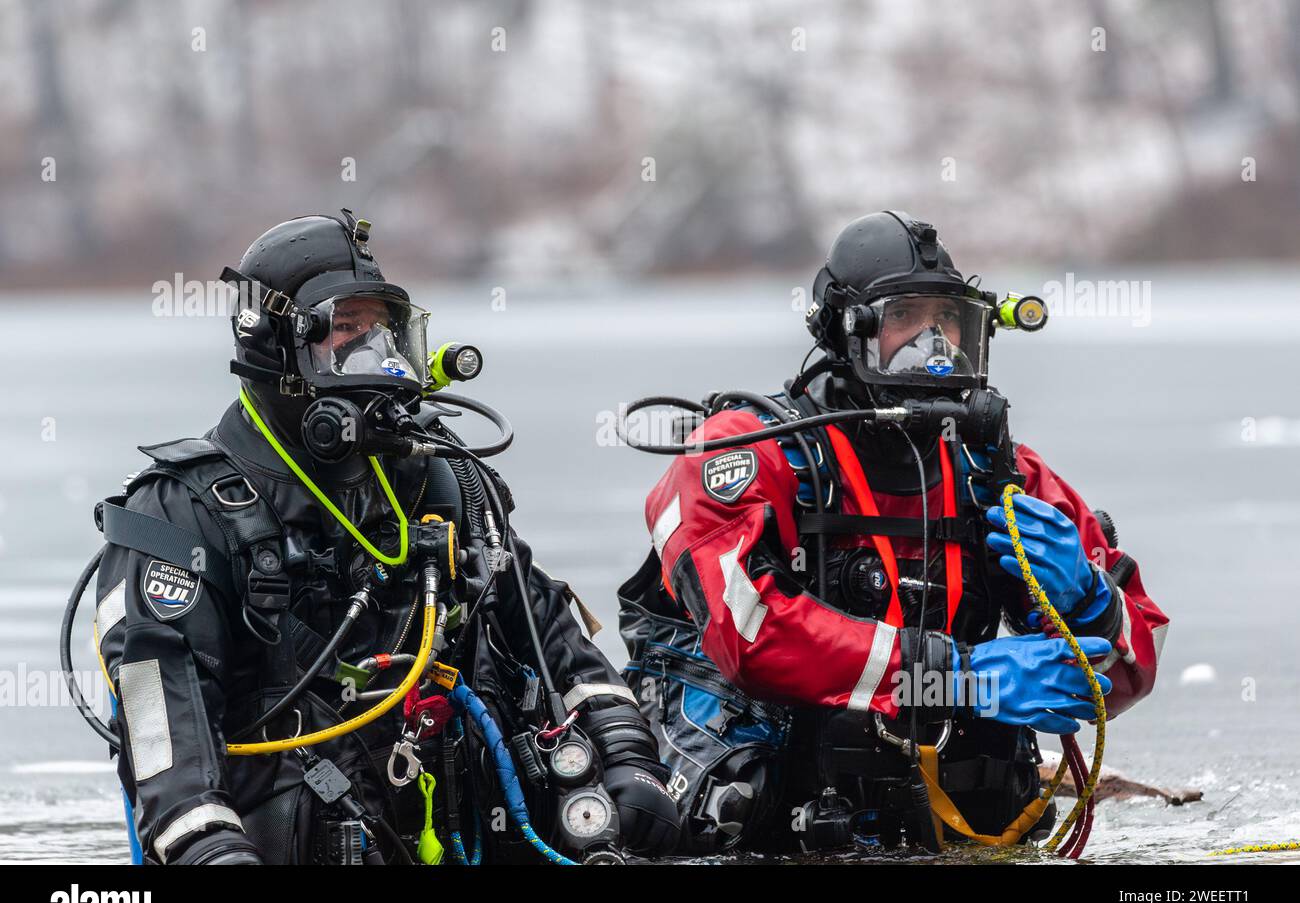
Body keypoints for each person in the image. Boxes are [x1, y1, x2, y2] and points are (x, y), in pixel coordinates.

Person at [87, 210, 678, 864]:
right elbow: (158, 713)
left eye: (382, 331)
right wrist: (209, 850)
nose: (371, 354)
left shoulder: (440, 480)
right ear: (273, 347)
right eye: (345, 329)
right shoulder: (182, 512)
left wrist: (625, 747)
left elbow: (550, 633)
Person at [618, 211, 1169, 855]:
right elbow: (751, 633)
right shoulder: (744, 453)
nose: (933, 345)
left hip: (934, 815)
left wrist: (1091, 607)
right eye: (907, 320)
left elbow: (1129, 662)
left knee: (996, 763)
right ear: (848, 331)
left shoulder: (998, 472)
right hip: (767, 808)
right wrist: (958, 677)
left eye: (949, 322)